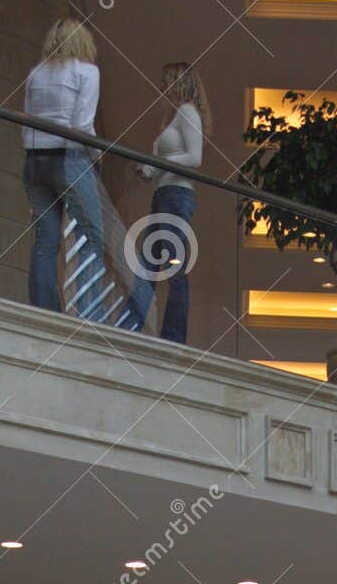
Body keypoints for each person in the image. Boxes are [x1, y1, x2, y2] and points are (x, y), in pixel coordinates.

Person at [121, 62, 210, 345]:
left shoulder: (187, 112)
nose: (162, 87)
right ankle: (133, 324)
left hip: (177, 195)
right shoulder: (175, 116)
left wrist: (157, 164)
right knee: (150, 262)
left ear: (179, 82)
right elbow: (170, 163)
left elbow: (195, 158)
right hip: (164, 194)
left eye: (166, 81)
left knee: (172, 265)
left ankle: (171, 333)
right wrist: (148, 169)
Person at [22, 18, 105, 318]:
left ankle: (44, 310)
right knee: (92, 236)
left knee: (46, 238)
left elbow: (27, 118)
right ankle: (90, 310)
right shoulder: (87, 71)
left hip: (34, 159)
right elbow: (82, 125)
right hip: (69, 157)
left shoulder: (36, 73)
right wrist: (96, 156)